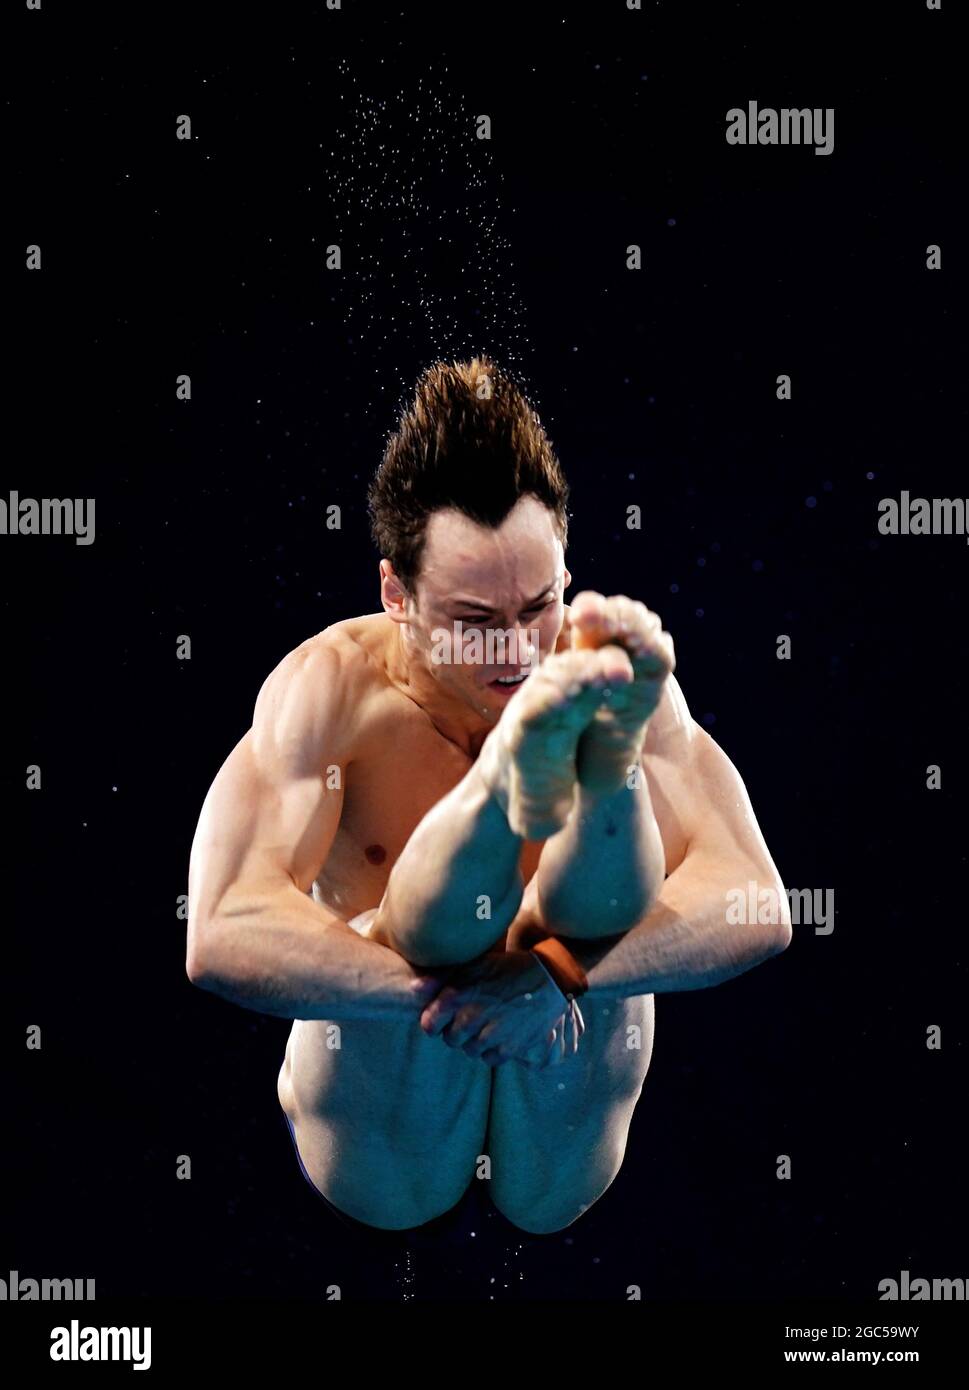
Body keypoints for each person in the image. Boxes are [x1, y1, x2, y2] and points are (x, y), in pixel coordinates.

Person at [186, 355, 791, 1236]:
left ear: (565, 566)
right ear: (395, 591)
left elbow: (758, 903)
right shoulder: (326, 694)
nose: (516, 650)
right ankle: (512, 783)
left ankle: (590, 783)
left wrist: (553, 977)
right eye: (474, 621)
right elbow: (221, 930)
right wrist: (450, 993)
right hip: (384, 1135)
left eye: (539, 606)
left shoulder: (615, 679)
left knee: (576, 926)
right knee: (431, 929)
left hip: (559, 1116)